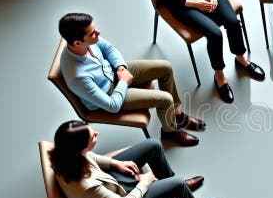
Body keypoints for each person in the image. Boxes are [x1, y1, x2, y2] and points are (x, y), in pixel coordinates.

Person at [58, 12, 203, 147]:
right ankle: (169, 132)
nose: (98, 33)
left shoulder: (87, 41)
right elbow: (112, 106)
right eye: (93, 33)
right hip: (111, 94)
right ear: (77, 43)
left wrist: (120, 67)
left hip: (114, 72)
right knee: (165, 99)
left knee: (165, 67)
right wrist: (123, 82)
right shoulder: (77, 77)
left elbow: (108, 49)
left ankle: (176, 114)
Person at [49, 120, 221, 198]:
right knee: (177, 183)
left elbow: (90, 157)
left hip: (108, 181)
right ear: (80, 150)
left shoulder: (67, 154)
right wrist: (143, 183)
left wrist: (115, 163)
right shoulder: (87, 188)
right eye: (92, 136)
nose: (97, 133)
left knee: (153, 145)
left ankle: (173, 191)